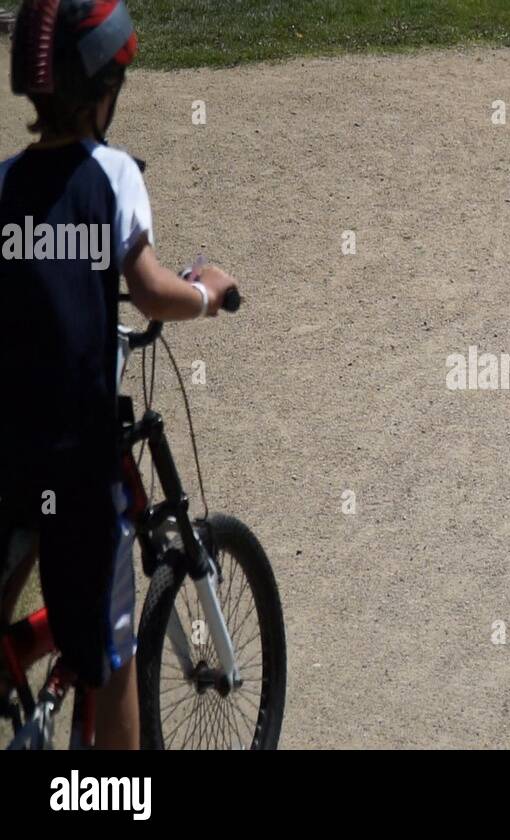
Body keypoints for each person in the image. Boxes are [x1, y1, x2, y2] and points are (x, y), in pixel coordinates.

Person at [0, 0, 236, 748]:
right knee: (113, 653)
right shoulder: (111, 177)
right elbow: (149, 291)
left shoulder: (4, 183)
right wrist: (208, 291)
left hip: (9, 450)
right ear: (106, 88)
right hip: (77, 460)